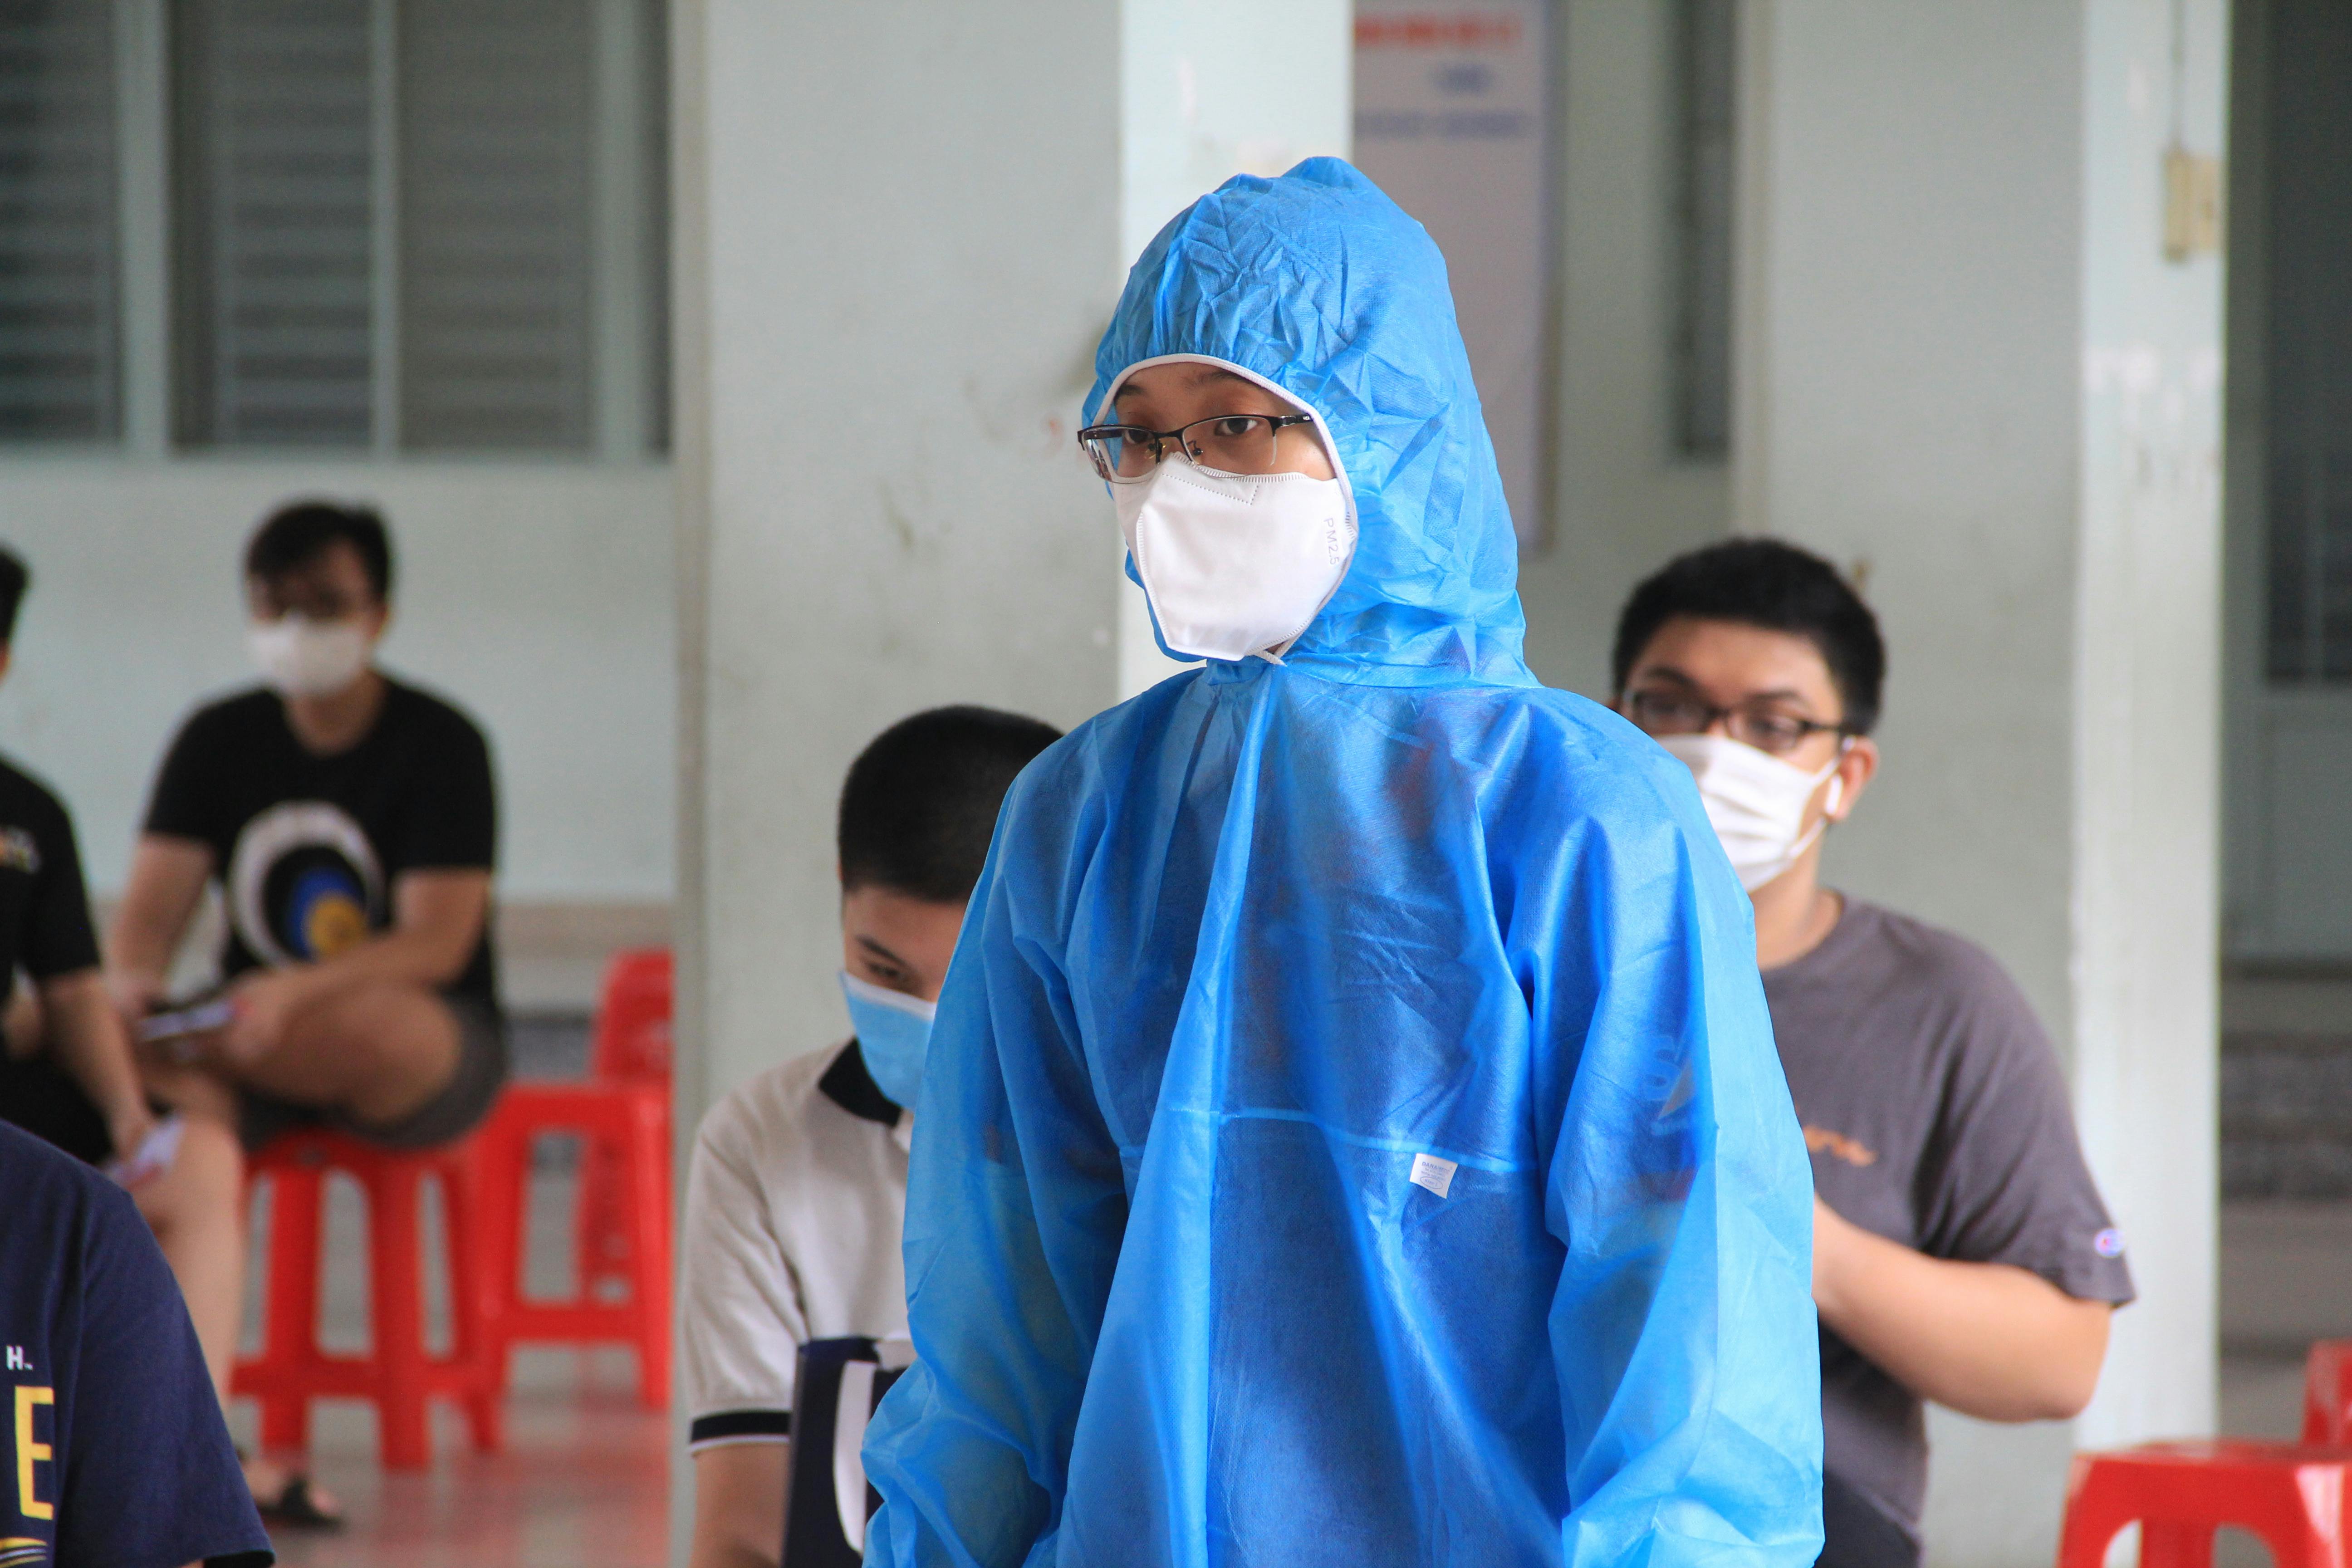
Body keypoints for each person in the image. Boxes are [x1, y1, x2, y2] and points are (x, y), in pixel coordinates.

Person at [861, 159, 1821, 1568]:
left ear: (1388, 429)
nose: (1176, 480)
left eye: (1239, 425)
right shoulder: (1084, 814)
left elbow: (1689, 1316)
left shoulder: (1581, 814)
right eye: (1137, 437)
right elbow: (998, 1315)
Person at [1611, 538, 2133, 1568]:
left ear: (1843, 773)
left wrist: (1788, 1229)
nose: (1713, 753)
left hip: (1804, 1502)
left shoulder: (1936, 1002)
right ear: (1613, 726)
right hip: (1529, 1468)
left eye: (1772, 725)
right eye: (1668, 707)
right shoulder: (1523, 971)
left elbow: (2058, 1360)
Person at [682, 705, 1061, 1568]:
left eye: (970, 978)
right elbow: (744, 1528)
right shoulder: (761, 1147)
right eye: (886, 972)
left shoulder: (1155, 1148)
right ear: (841, 885)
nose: (933, 1026)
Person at [0, 545, 323, 1528]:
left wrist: (127, 1114)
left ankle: (185, 1461)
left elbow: (72, 993)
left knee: (195, 1161)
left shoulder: (29, 817)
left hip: (15, 1118)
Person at [108, 500, 507, 1165]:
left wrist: (293, 993)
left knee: (379, 1031)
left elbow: (435, 944)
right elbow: (145, 924)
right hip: (240, 1027)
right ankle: (217, 1112)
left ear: (378, 615)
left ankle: (209, 1090)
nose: (298, 628)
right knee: (96, 1032)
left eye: (325, 605)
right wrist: (134, 982)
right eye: (274, 606)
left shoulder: (443, 744)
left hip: (414, 1037)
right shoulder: (215, 738)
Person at [0, 1117, 274, 1567]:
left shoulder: (79, 1224)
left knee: (198, 1167)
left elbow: (152, 1546)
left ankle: (211, 1449)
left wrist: (126, 1110)